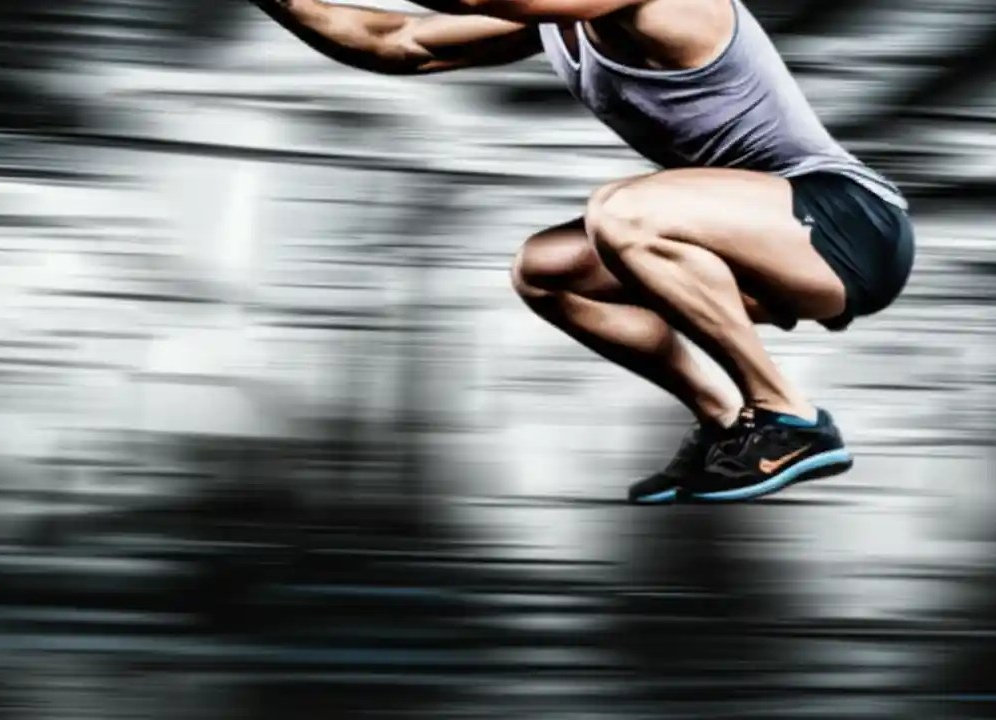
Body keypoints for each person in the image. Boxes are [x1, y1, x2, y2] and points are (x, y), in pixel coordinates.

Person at [249, 0, 915, 503]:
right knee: (546, 272)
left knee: (622, 214)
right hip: (758, 242)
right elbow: (394, 41)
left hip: (850, 223)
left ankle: (790, 418)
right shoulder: (554, 20)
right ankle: (725, 423)